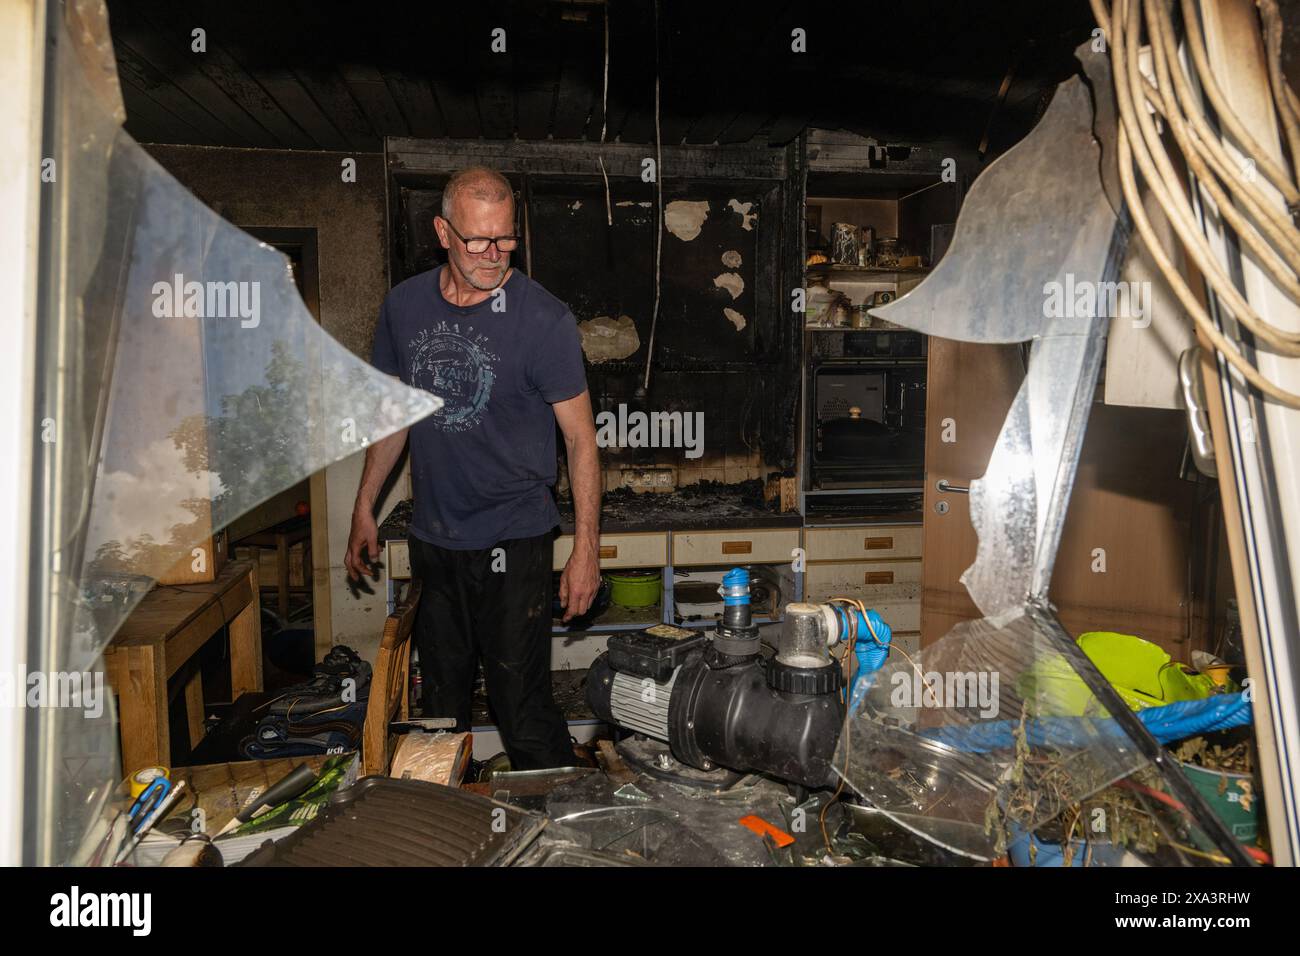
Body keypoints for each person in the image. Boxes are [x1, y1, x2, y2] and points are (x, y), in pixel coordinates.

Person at [345, 165, 601, 770]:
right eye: (477, 240)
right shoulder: (403, 308)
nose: (494, 255)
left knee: (520, 704)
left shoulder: (544, 320)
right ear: (442, 231)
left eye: (506, 239)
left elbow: (582, 441)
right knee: (440, 705)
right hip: (436, 539)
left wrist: (586, 547)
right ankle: (451, 835)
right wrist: (363, 507)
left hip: (516, 535)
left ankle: (564, 833)